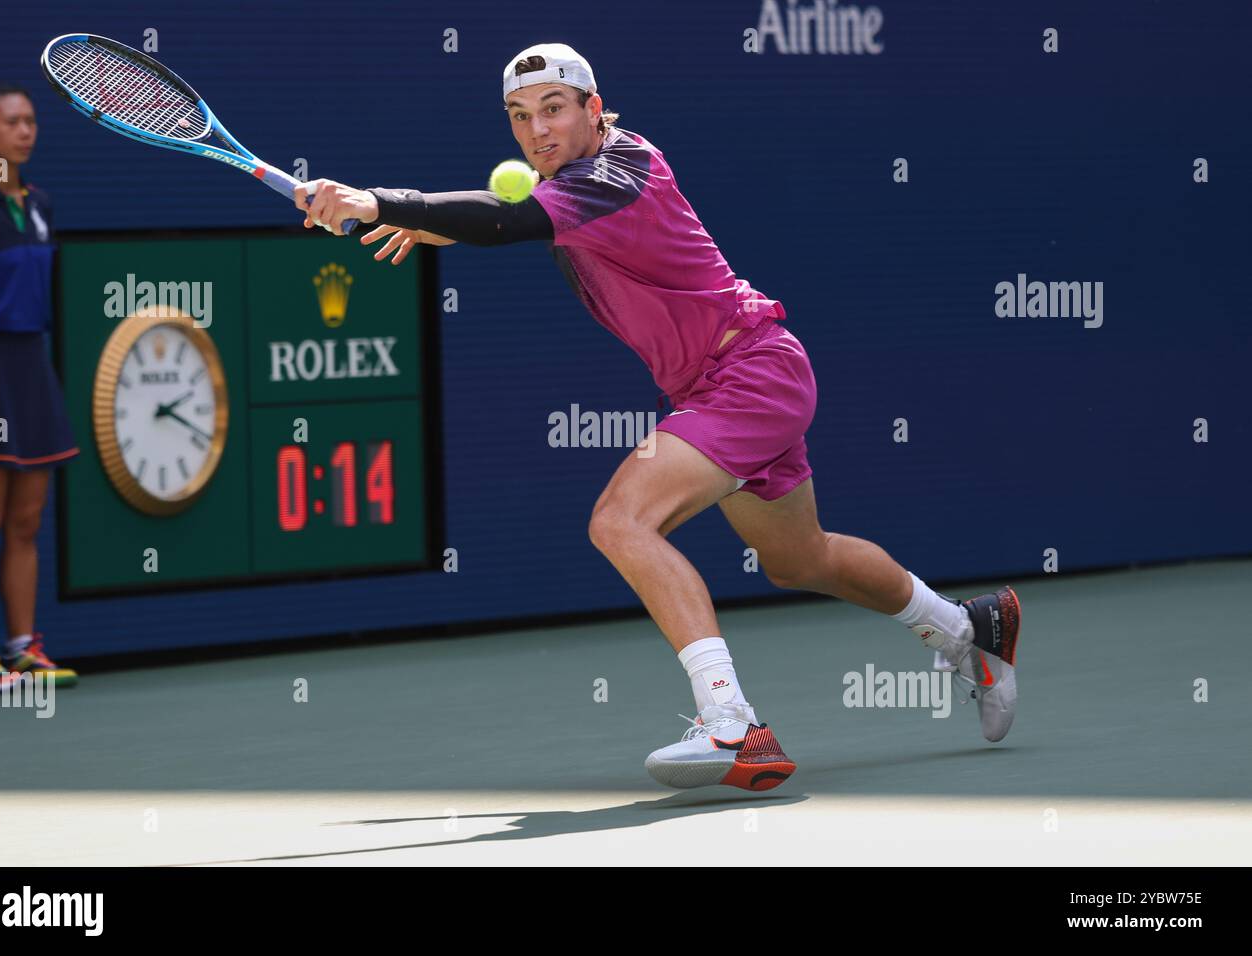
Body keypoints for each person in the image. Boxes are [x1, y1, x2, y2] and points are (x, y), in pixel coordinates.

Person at [294, 43, 1020, 791]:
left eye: (553, 109)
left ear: (593, 108)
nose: (537, 130)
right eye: (519, 116)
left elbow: (508, 222)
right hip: (730, 385)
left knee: (620, 521)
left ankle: (732, 726)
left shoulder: (620, 170)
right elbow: (510, 219)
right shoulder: (582, 181)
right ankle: (969, 628)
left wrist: (379, 201)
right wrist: (432, 215)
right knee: (798, 559)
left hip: (748, 375)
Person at [0, 82, 78, 690]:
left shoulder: (42, 205)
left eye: (31, 121)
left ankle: (23, 647)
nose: (25, 131)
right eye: (11, 122)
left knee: (26, 519)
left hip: (33, 365)